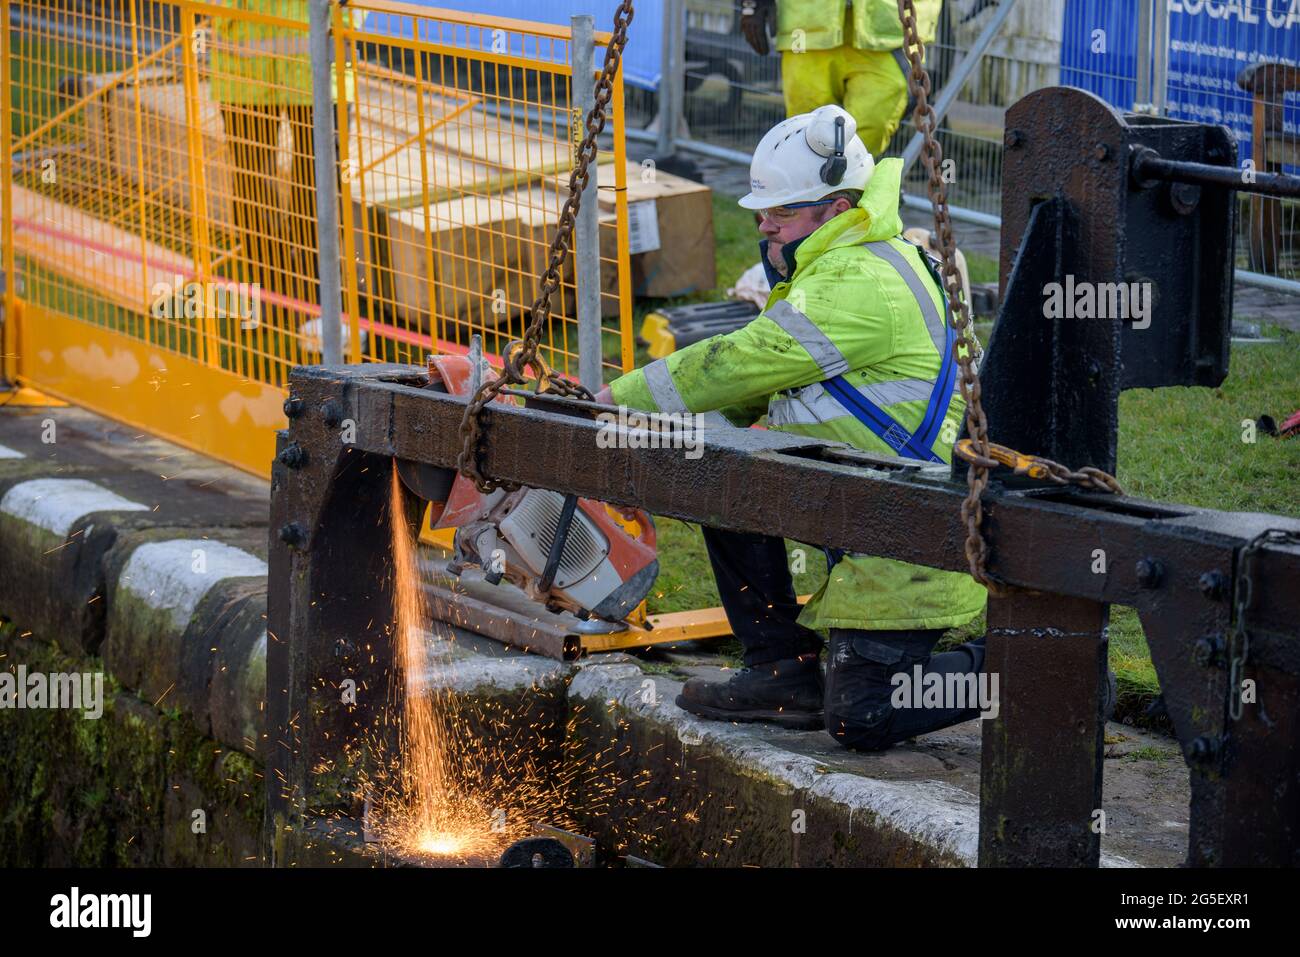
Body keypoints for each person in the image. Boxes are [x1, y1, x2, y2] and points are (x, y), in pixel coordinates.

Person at [598, 105, 987, 751]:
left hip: (909, 537)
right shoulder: (843, 264)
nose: (765, 227)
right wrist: (646, 450)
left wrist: (615, 398)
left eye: (781, 213)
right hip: (868, 509)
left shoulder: (856, 279)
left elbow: (738, 360)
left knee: (861, 716)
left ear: (836, 209)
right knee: (716, 460)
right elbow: (748, 391)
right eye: (760, 214)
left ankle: (1020, 671)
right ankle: (782, 668)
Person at [739, 0, 943, 157]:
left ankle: (849, 189)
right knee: (805, 133)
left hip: (888, 27)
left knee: (871, 127)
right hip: (807, 25)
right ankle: (806, 202)